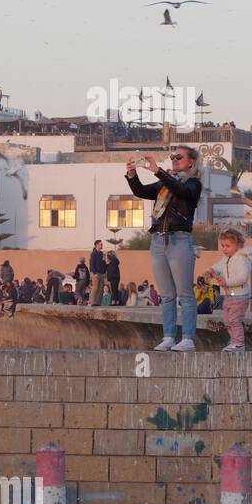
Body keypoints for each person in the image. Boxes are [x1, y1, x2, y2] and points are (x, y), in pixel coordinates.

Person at [126, 147, 203, 351]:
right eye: (172, 157)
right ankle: (168, 336)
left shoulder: (193, 184)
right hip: (158, 240)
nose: (175, 160)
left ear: (191, 162)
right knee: (167, 294)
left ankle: (187, 338)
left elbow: (181, 190)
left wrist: (158, 170)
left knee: (185, 293)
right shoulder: (164, 184)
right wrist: (132, 175)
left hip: (179, 240)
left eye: (179, 157)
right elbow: (141, 192)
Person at [89, 241, 107, 306]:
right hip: (96, 273)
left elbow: (104, 264)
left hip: (102, 273)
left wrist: (105, 272)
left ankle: (98, 302)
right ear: (96, 245)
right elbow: (92, 263)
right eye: (101, 244)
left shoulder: (102, 254)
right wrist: (93, 272)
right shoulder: (93, 253)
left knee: (101, 289)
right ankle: (92, 302)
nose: (102, 245)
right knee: (95, 288)